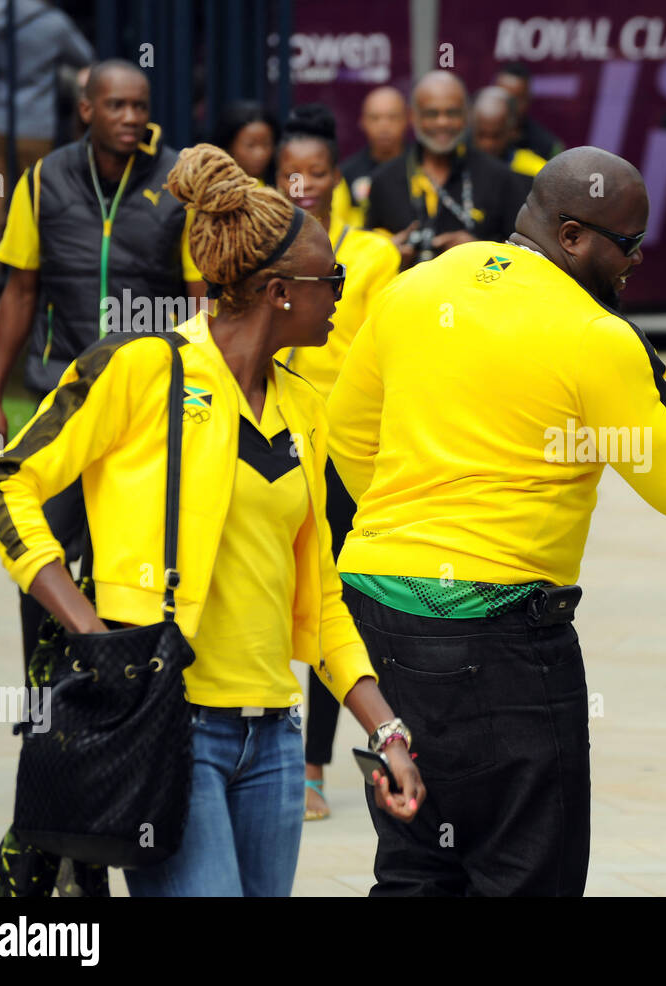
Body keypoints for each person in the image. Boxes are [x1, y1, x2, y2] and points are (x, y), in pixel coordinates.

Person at [326, 146, 666, 896]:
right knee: (529, 870)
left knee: (417, 861)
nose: (636, 263)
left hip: (381, 609)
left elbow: (345, 433)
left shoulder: (415, 289)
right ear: (570, 236)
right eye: (626, 245)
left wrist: (413, 534)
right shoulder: (596, 335)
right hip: (501, 629)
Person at [0, 143, 425, 897]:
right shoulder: (142, 369)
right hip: (169, 726)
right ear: (279, 291)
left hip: (273, 739)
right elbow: (2, 483)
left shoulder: (304, 409)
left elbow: (324, 597)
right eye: (330, 280)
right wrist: (91, 632)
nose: (342, 295)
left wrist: (386, 730)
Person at [0, 58, 206, 667]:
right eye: (116, 105)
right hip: (62, 397)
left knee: (128, 560)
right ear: (87, 110)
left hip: (145, 402)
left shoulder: (178, 183)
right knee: (44, 549)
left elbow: (198, 301)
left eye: (140, 105)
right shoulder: (41, 180)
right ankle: (43, 698)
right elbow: (20, 291)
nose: (132, 117)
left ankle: (125, 693)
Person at [269, 104, 402, 821]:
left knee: (331, 603)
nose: (304, 184)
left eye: (318, 172)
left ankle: (313, 767)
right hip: (261, 437)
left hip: (341, 451)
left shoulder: (373, 254)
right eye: (292, 172)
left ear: (336, 177)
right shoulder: (254, 249)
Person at [0, 0, 94, 291]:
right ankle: (32, 284)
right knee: (34, 203)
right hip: (33, 128)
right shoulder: (55, 23)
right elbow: (87, 58)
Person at [365, 70, 525, 268]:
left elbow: (522, 260)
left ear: (466, 116)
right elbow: (367, 258)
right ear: (413, 117)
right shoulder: (384, 180)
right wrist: (389, 255)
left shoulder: (500, 178)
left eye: (452, 113)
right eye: (432, 114)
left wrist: (478, 252)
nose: (442, 122)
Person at [340, 86, 408, 221]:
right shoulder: (346, 173)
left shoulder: (422, 165)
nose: (384, 126)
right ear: (362, 122)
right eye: (375, 118)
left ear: (407, 119)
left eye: (392, 117)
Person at [471, 86, 546, 181]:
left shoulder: (535, 171)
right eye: (481, 134)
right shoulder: (456, 166)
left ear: (511, 130)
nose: (488, 144)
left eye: (496, 136)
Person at [495, 62, 564, 160]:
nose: (509, 106)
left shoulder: (546, 146)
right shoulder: (474, 136)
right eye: (502, 97)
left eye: (515, 100)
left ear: (528, 100)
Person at [213, 100, 279, 185]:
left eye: (266, 144)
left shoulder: (282, 185)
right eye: (250, 145)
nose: (260, 154)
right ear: (229, 146)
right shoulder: (214, 189)